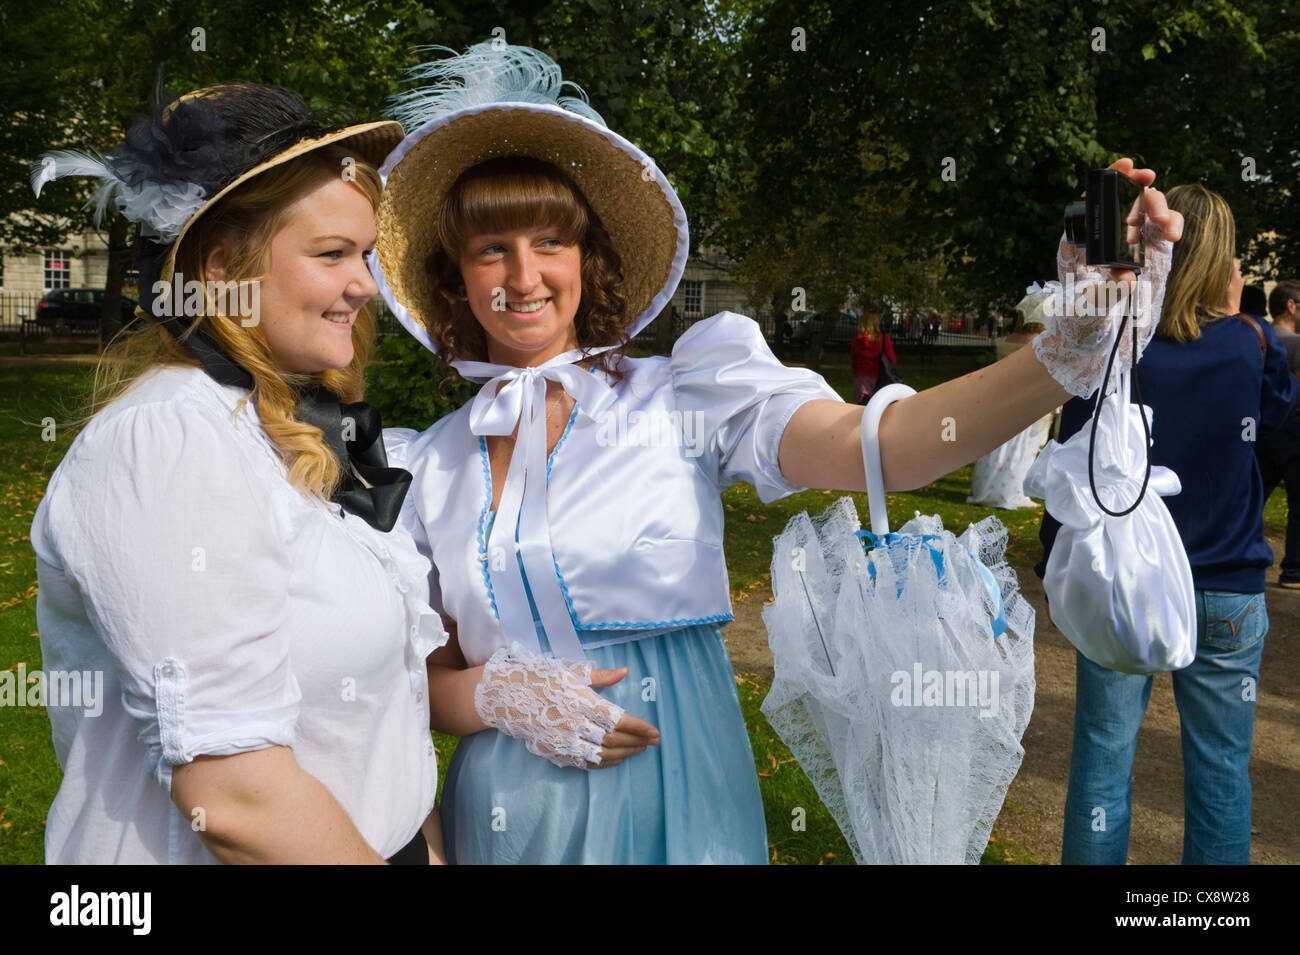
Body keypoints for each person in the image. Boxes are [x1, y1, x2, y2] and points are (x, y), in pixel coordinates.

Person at [373, 43, 1181, 864]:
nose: (523, 275)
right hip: (509, 817)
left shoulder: (684, 392)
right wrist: (499, 696)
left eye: (550, 241)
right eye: (491, 249)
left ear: (587, 257)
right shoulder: (423, 467)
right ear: (457, 276)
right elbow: (417, 686)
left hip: (682, 797)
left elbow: (889, 450)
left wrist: (1065, 353)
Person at [30, 83, 643, 864]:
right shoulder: (169, 441)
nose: (365, 284)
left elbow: (374, 718)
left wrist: (421, 840)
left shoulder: (287, 427)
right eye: (331, 255)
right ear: (222, 268)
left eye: (364, 254)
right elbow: (238, 800)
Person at [1040, 185, 1298, 864]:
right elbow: (1282, 434)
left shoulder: (1120, 343)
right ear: (1223, 258)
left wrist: (1052, 555)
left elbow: (1078, 454)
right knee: (1221, 771)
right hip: (1227, 581)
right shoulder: (1254, 343)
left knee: (1102, 760)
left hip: (1126, 578)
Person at [966, 312, 1055, 509]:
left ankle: (985, 488)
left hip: (1001, 393)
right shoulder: (1038, 340)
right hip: (1026, 395)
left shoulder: (1008, 339)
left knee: (997, 445)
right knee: (1022, 446)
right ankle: (1010, 490)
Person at [1258, 279, 1300, 587]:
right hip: (1293, 431)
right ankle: (1294, 571)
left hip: (1258, 430)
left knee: (1253, 498)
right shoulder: (1297, 344)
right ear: (1291, 306)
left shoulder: (1256, 335)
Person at [850, 312, 897, 403]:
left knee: (861, 406)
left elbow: (854, 360)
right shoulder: (884, 340)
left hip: (862, 378)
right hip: (881, 377)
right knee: (880, 406)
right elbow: (892, 359)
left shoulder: (857, 340)